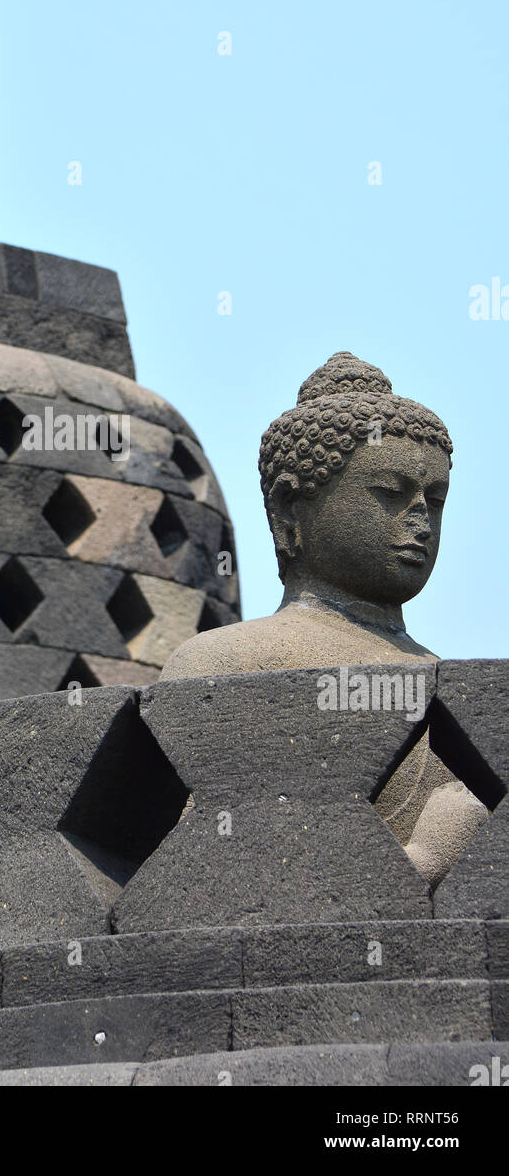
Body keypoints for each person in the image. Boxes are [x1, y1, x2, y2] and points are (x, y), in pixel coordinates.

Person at [160, 351, 487, 885]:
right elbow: (198, 875)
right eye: (391, 493)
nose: (421, 522)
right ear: (291, 507)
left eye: (436, 499)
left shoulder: (453, 686)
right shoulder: (230, 664)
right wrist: (422, 863)